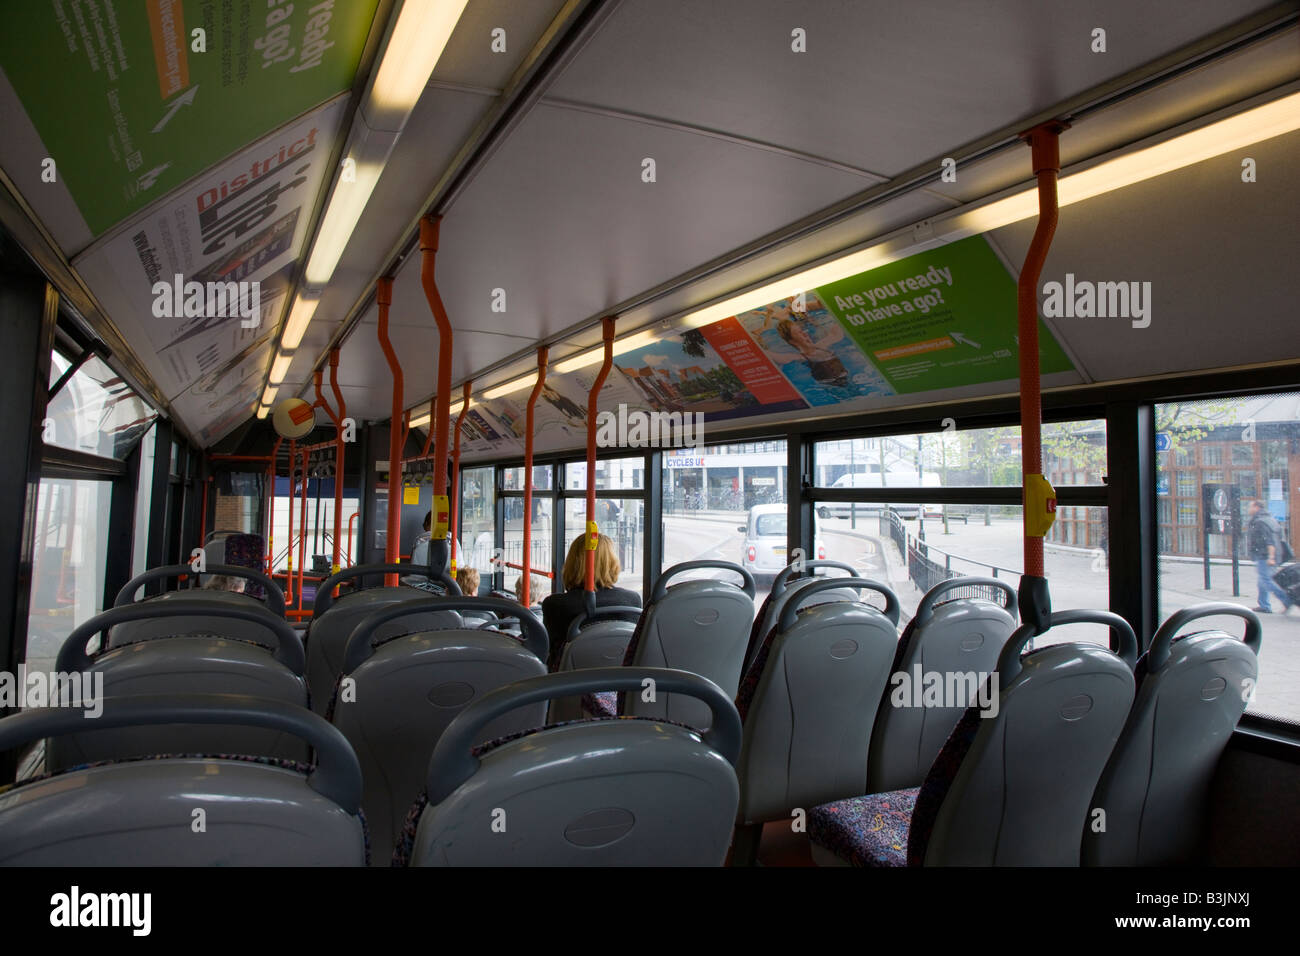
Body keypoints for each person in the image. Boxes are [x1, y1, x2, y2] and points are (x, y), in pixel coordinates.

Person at [541, 534, 641, 670]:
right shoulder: (632, 600)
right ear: (612, 562)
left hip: (569, 684)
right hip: (620, 682)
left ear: (572, 563)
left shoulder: (556, 605)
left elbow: (549, 653)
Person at [1246, 499, 1292, 614]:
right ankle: (1264, 605)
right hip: (1272, 554)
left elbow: (1269, 541)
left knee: (1267, 580)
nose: (1249, 509)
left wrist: (1271, 557)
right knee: (1262, 581)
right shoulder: (1270, 519)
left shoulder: (1260, 522)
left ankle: (1286, 600)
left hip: (1265, 555)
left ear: (1257, 507)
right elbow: (1279, 538)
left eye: (1250, 506)